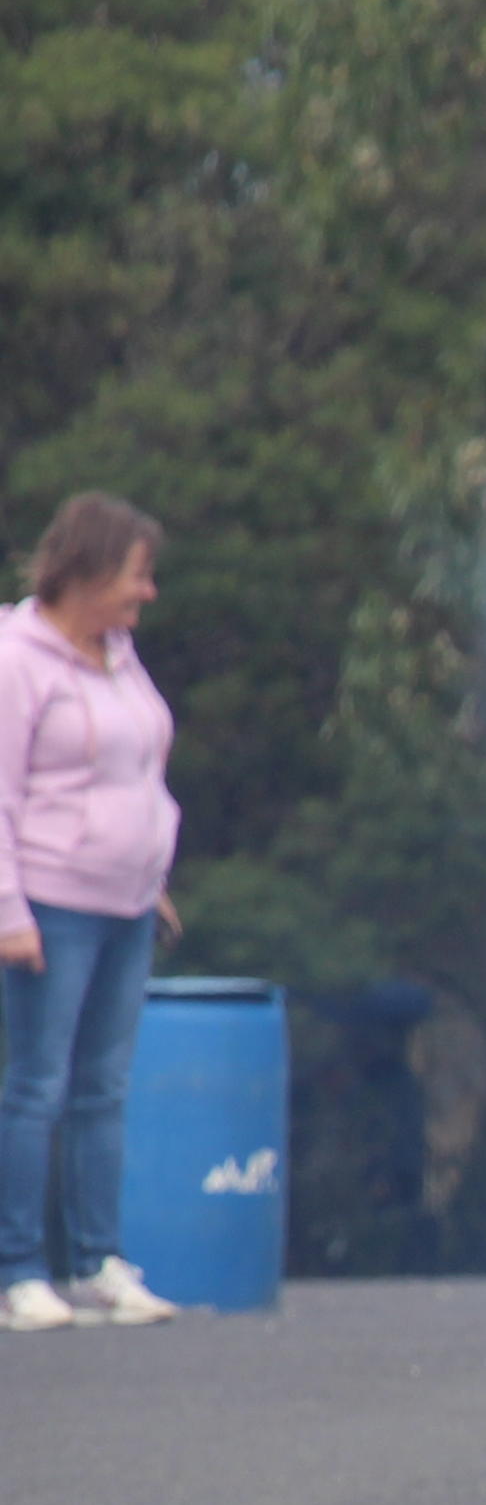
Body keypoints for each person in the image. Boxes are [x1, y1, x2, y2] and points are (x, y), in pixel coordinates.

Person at [1, 494, 186, 1333]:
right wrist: (9, 910)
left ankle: (97, 1260)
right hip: (51, 901)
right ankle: (19, 1269)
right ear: (87, 572)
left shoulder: (121, 656)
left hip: (127, 902)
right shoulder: (18, 660)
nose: (145, 594)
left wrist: (152, 873)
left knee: (103, 1087)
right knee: (37, 1086)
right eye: (135, 575)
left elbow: (137, 769)